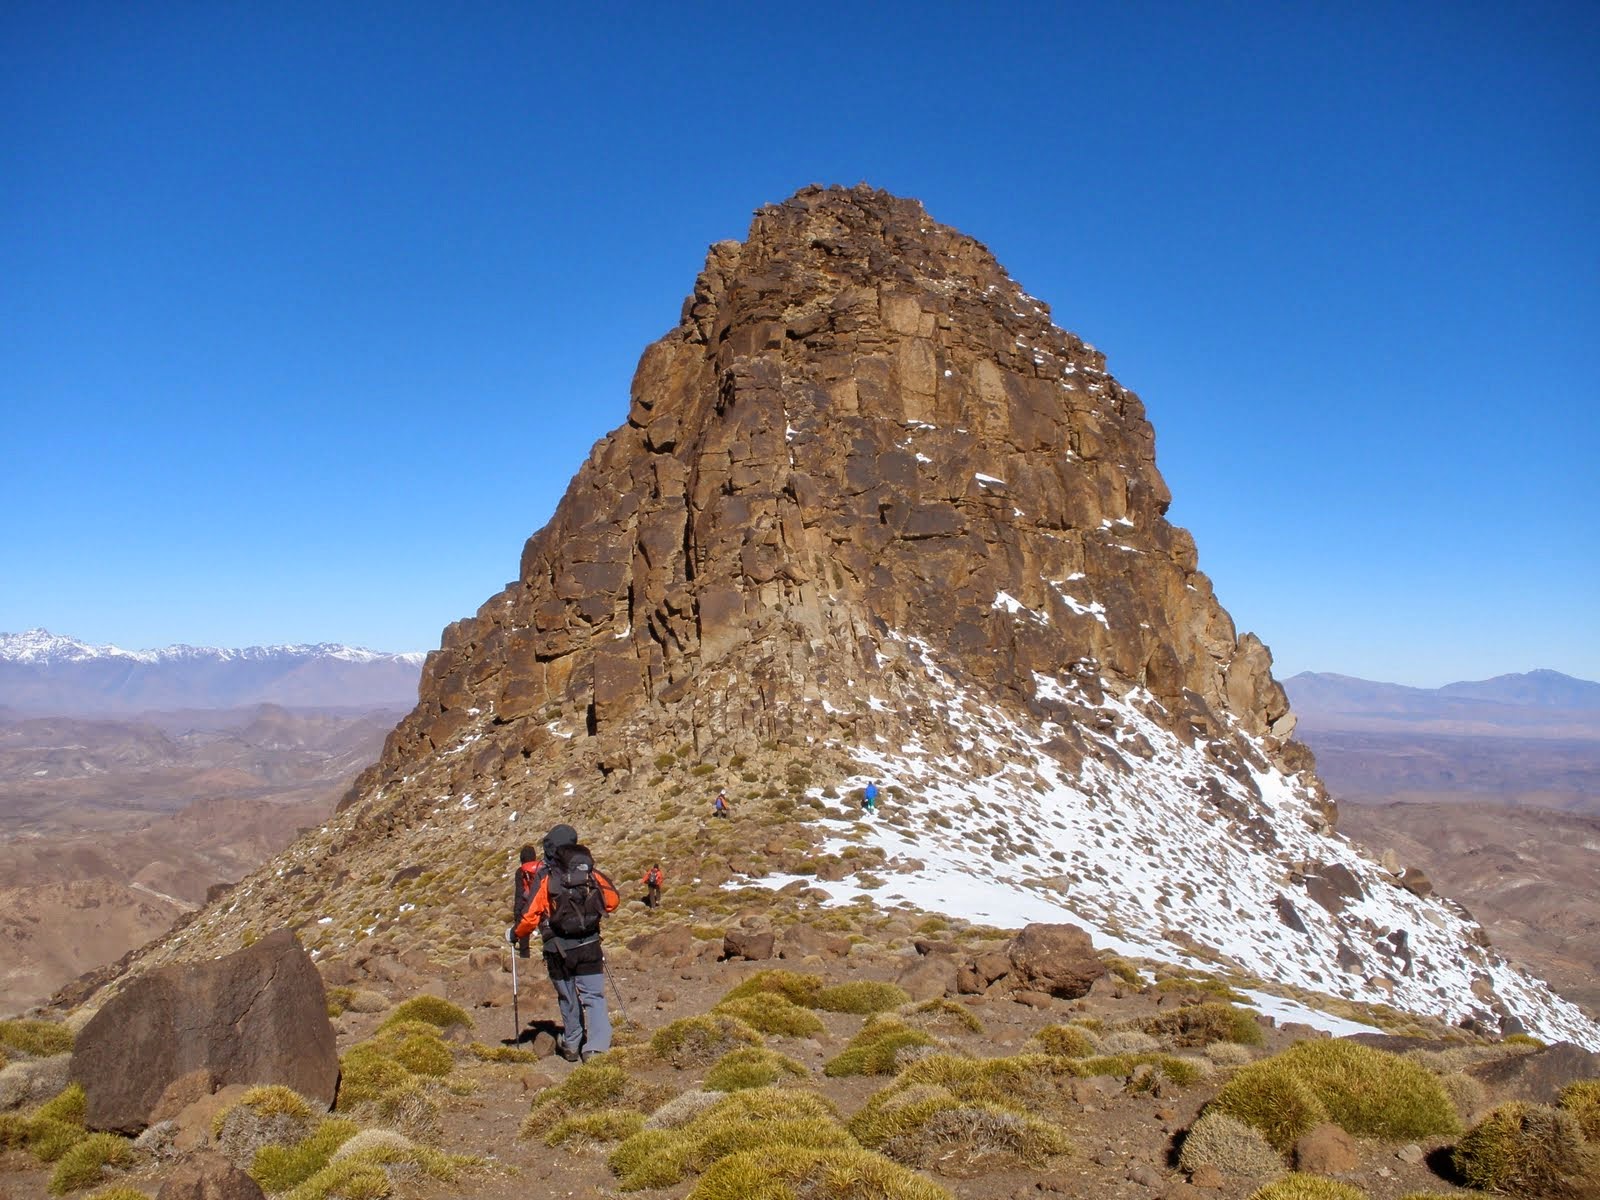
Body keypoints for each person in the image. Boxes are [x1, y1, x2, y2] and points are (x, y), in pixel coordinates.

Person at [507, 824, 620, 1061]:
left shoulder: (547, 877)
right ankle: (596, 1047)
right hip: (589, 944)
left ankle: (571, 1044)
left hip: (557, 948)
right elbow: (612, 901)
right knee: (594, 997)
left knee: (567, 996)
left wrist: (516, 935)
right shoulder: (590, 873)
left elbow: (530, 914)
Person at [511, 844, 541, 959]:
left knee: (524, 935)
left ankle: (525, 958)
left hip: (526, 906)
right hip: (541, 903)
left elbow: (519, 894)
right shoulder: (541, 869)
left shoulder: (521, 872)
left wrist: (517, 915)